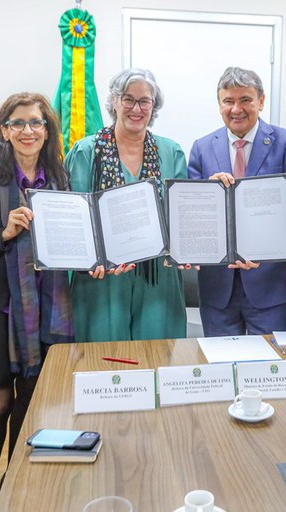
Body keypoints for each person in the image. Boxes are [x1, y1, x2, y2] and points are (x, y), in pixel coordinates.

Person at [0, 92, 75, 511]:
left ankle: (15, 479)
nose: (28, 131)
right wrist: (4, 232)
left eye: (36, 123)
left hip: (49, 306)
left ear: (47, 131)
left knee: (31, 398)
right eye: (18, 123)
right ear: (4, 130)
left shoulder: (61, 181)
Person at [66, 68, 187, 341]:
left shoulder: (172, 152)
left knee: (157, 360)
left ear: (154, 106)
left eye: (145, 101)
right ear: (114, 101)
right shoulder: (86, 151)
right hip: (103, 280)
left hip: (158, 279)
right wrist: (90, 260)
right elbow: (77, 221)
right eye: (128, 99)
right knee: (102, 364)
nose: (137, 108)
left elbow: (182, 215)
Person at [188, 67, 286, 336]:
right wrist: (208, 192)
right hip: (218, 285)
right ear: (219, 104)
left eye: (245, 100)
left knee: (267, 368)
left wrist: (260, 248)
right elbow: (193, 215)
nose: (236, 109)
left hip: (270, 283)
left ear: (261, 101)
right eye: (228, 101)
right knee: (220, 368)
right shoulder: (201, 147)